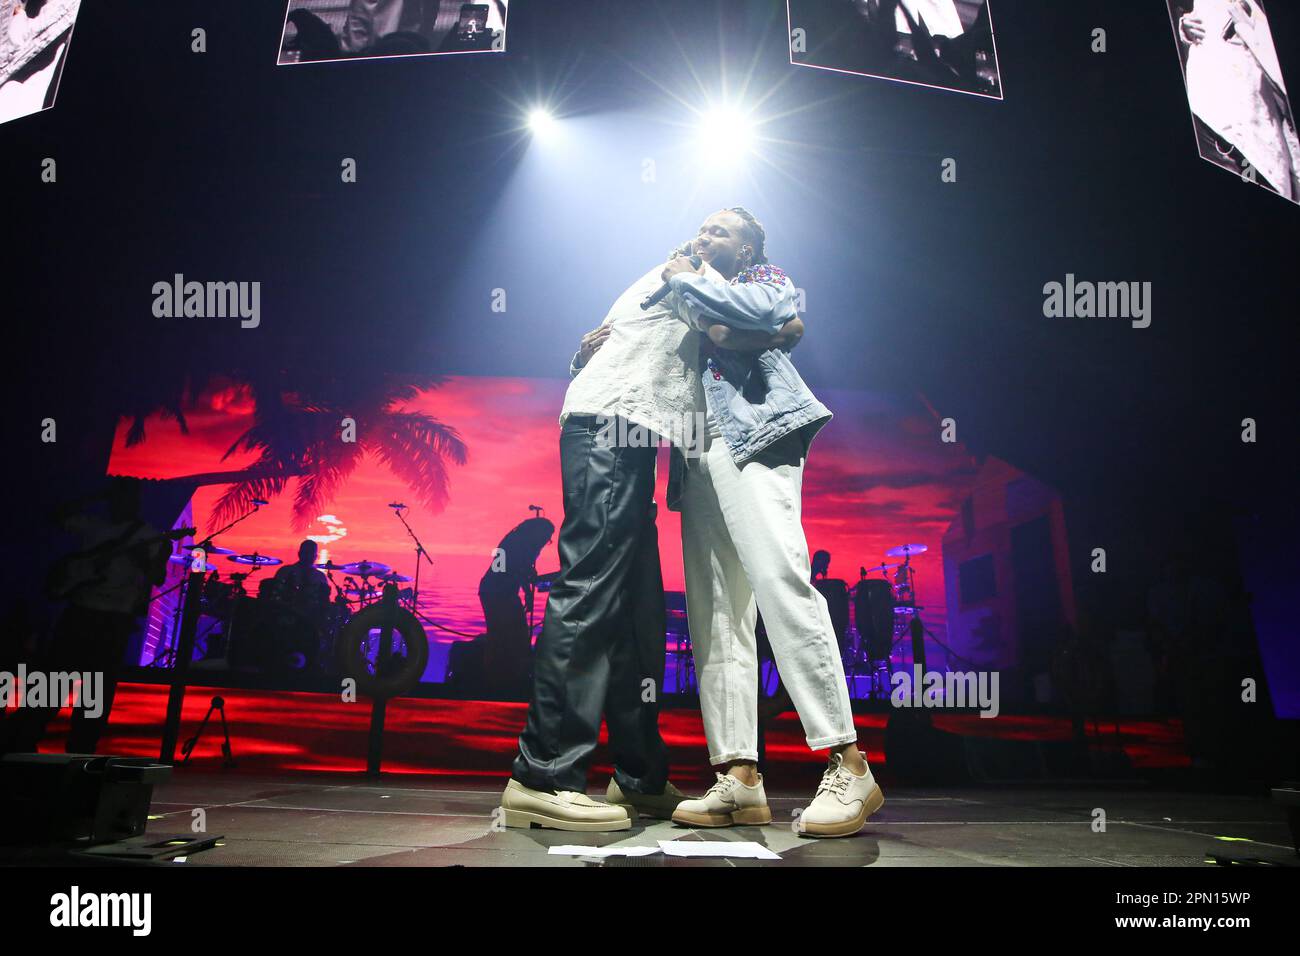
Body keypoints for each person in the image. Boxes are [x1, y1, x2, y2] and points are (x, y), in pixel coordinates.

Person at [659, 208, 885, 838]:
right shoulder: (686, 289)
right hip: (696, 447)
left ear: (750, 246)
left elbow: (762, 317)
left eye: (721, 231)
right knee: (717, 613)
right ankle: (739, 776)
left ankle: (849, 761)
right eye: (701, 229)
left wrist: (693, 287)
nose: (705, 236)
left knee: (781, 582)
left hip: (755, 435)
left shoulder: (766, 276)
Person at [478, 517, 554, 697]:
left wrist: (527, 589)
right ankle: (498, 680)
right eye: (546, 537)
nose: (546, 542)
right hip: (495, 592)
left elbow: (521, 570)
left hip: (502, 593)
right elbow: (501, 568)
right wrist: (524, 581)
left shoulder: (523, 544)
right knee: (502, 634)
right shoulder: (513, 543)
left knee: (509, 634)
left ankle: (504, 678)